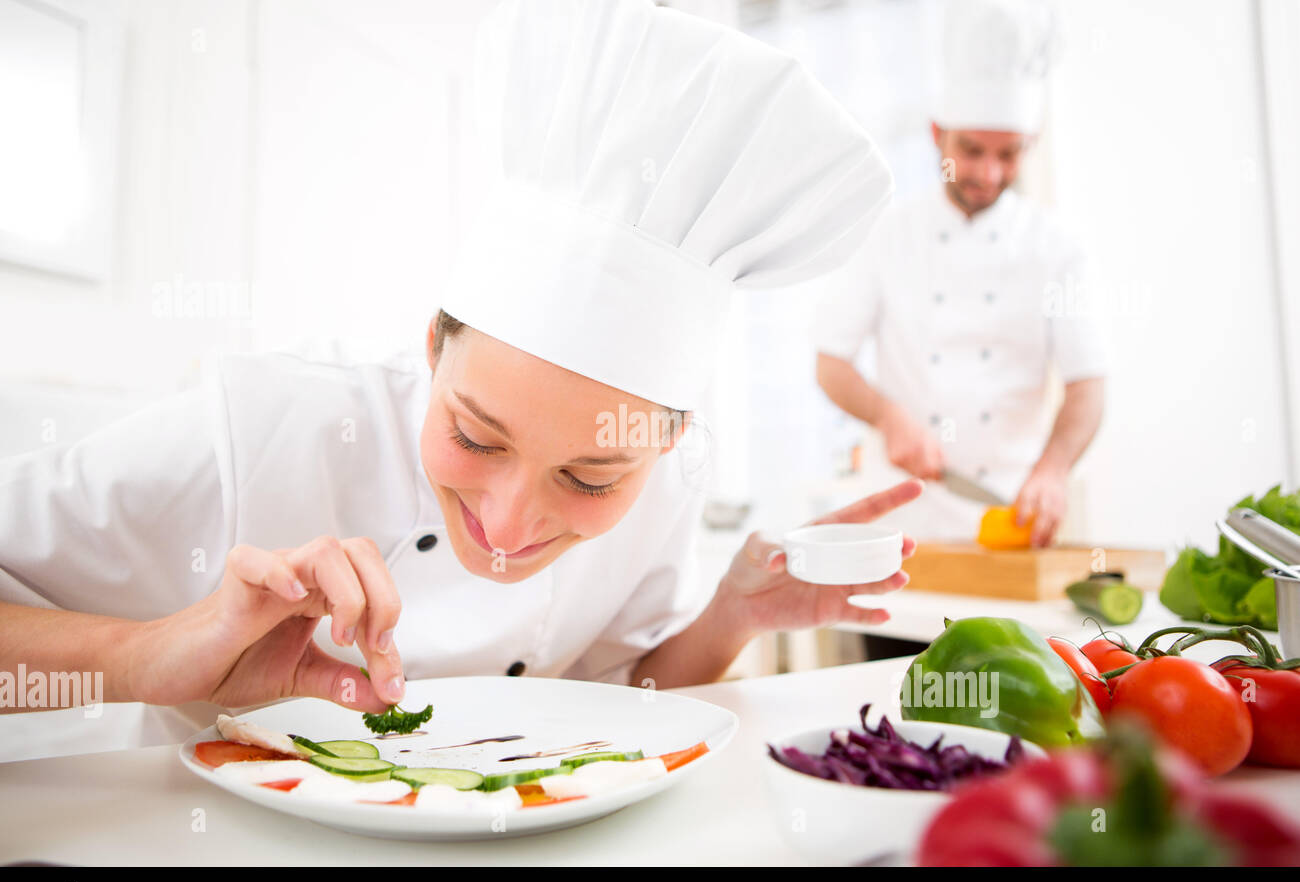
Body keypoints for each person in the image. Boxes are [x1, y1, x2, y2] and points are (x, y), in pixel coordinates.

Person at [0, 0, 916, 752]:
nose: (509, 527)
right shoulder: (265, 423)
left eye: (591, 475)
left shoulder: (667, 481)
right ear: (433, 346)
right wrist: (160, 653)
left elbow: (617, 703)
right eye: (477, 436)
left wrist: (728, 619)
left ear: (667, 437)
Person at [813, 0, 1106, 546]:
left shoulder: (1057, 249)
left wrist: (1054, 468)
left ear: (1029, 146)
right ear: (935, 133)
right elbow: (831, 363)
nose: (988, 173)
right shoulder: (886, 233)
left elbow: (1087, 385)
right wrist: (887, 416)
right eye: (971, 150)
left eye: (1008, 155)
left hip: (1012, 517)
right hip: (905, 521)